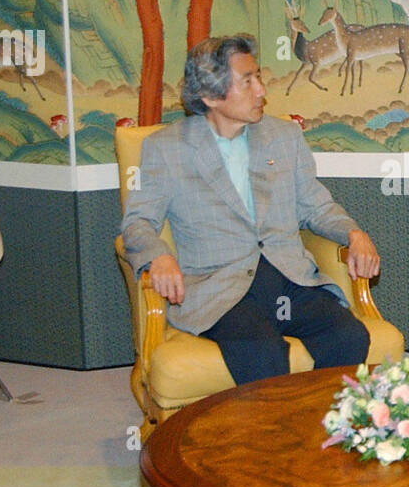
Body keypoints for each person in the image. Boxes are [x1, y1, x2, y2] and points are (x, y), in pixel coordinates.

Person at [121, 35, 378, 385]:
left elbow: (316, 206)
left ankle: (320, 430)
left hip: (288, 278)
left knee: (349, 337)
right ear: (211, 97)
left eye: (259, 77)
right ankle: (267, 438)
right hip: (220, 287)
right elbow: (138, 223)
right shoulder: (167, 149)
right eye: (247, 81)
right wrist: (158, 257)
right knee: (261, 352)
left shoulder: (284, 136)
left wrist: (354, 233)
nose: (261, 91)